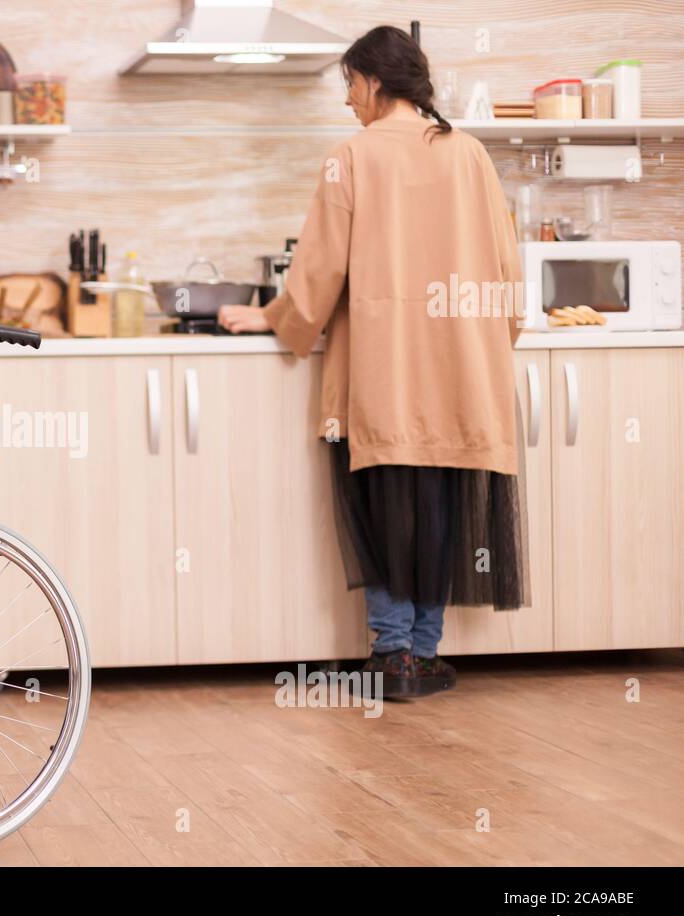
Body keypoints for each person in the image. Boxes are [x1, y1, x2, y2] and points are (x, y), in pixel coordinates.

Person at [220, 26, 527, 699]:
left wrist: (273, 317)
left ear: (375, 82)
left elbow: (320, 268)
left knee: (385, 506)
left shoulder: (353, 156)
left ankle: (390, 655)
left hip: (386, 372)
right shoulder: (470, 153)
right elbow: (507, 268)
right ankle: (421, 652)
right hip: (461, 370)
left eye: (350, 86)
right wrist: (497, 335)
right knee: (441, 506)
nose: (347, 101)